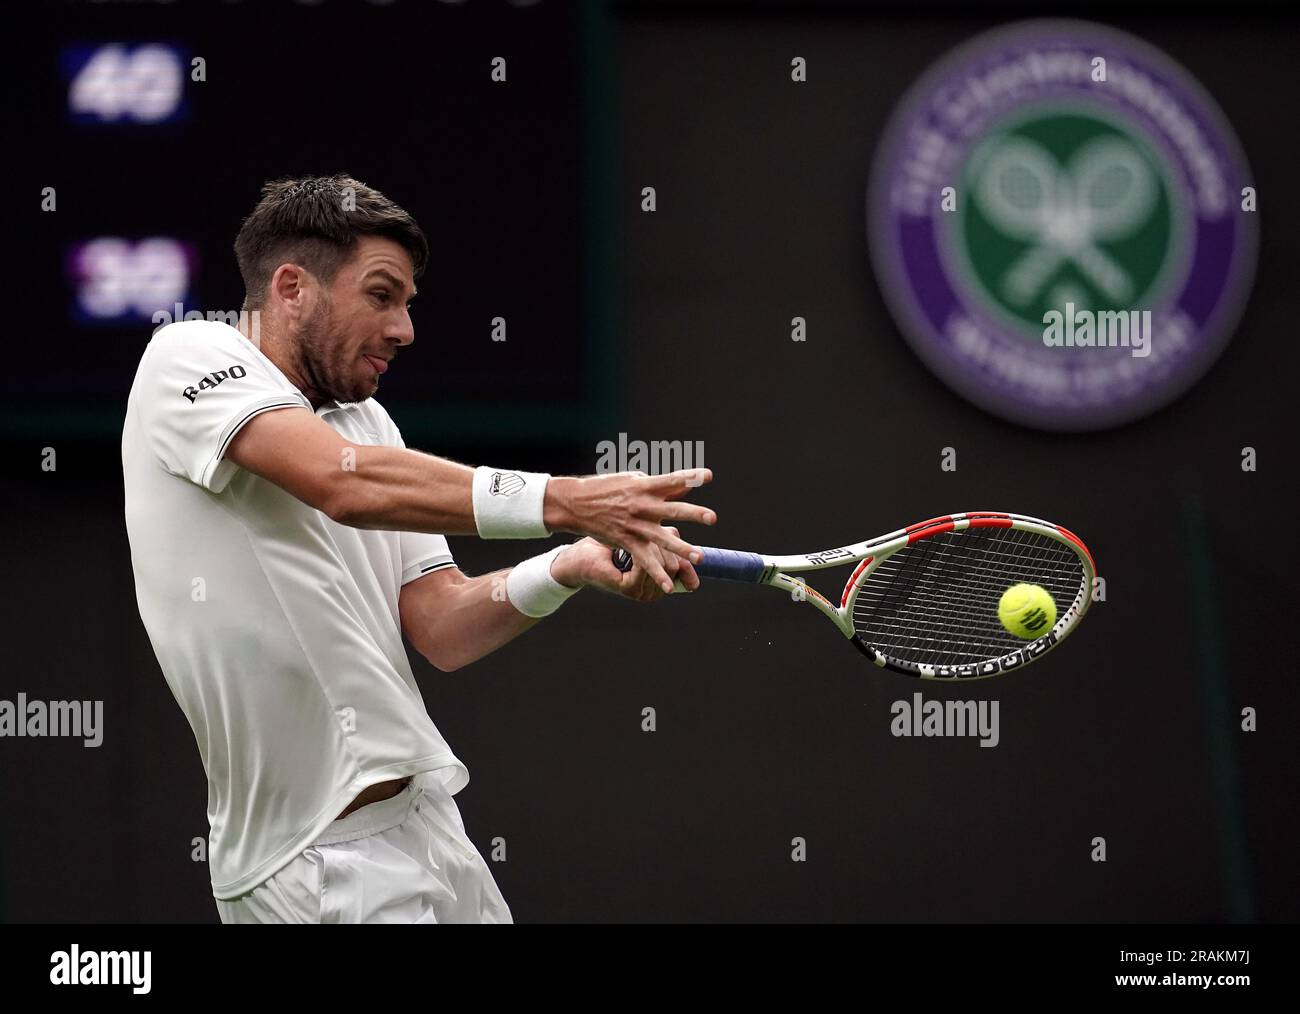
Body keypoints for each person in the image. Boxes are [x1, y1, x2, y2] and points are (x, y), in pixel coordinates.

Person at [121, 175, 714, 923]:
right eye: (381, 295)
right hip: (310, 865)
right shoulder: (186, 354)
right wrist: (567, 500)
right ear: (292, 287)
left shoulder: (369, 423)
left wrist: (564, 564)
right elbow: (340, 484)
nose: (404, 329)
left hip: (428, 831)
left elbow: (441, 626)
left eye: (408, 303)